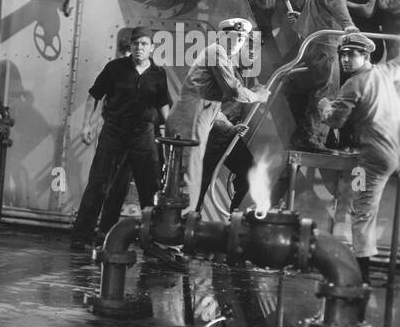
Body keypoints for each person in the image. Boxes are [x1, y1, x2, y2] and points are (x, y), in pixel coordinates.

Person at [316, 32, 400, 289]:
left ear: (366, 55)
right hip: (398, 149)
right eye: (343, 54)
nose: (345, 59)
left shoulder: (354, 83)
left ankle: (362, 275)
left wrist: (324, 105)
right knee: (363, 203)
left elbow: (336, 120)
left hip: (374, 156)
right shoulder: (383, 72)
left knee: (361, 209)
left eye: (352, 54)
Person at [70, 28, 171, 251]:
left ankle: (151, 240)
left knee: (149, 188)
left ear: (152, 47)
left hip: (143, 134)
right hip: (114, 132)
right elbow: (94, 95)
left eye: (144, 44)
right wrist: (86, 124)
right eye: (135, 43)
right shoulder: (115, 68)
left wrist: (170, 131)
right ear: (131, 46)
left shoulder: (158, 74)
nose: (139, 47)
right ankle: (82, 237)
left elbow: (163, 104)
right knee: (99, 184)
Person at [167, 17, 266, 220]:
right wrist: (258, 96)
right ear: (221, 36)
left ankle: (182, 230)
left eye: (241, 39)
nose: (238, 43)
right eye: (234, 37)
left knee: (192, 179)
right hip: (191, 121)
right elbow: (232, 91)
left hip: (200, 121)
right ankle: (173, 237)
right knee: (190, 180)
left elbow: (212, 104)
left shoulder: (222, 56)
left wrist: (229, 127)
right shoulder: (215, 53)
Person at [278, 0, 365, 149]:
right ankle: (311, 138)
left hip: (309, 35)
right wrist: (349, 25)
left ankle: (302, 131)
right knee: (328, 88)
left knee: (297, 83)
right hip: (325, 39)